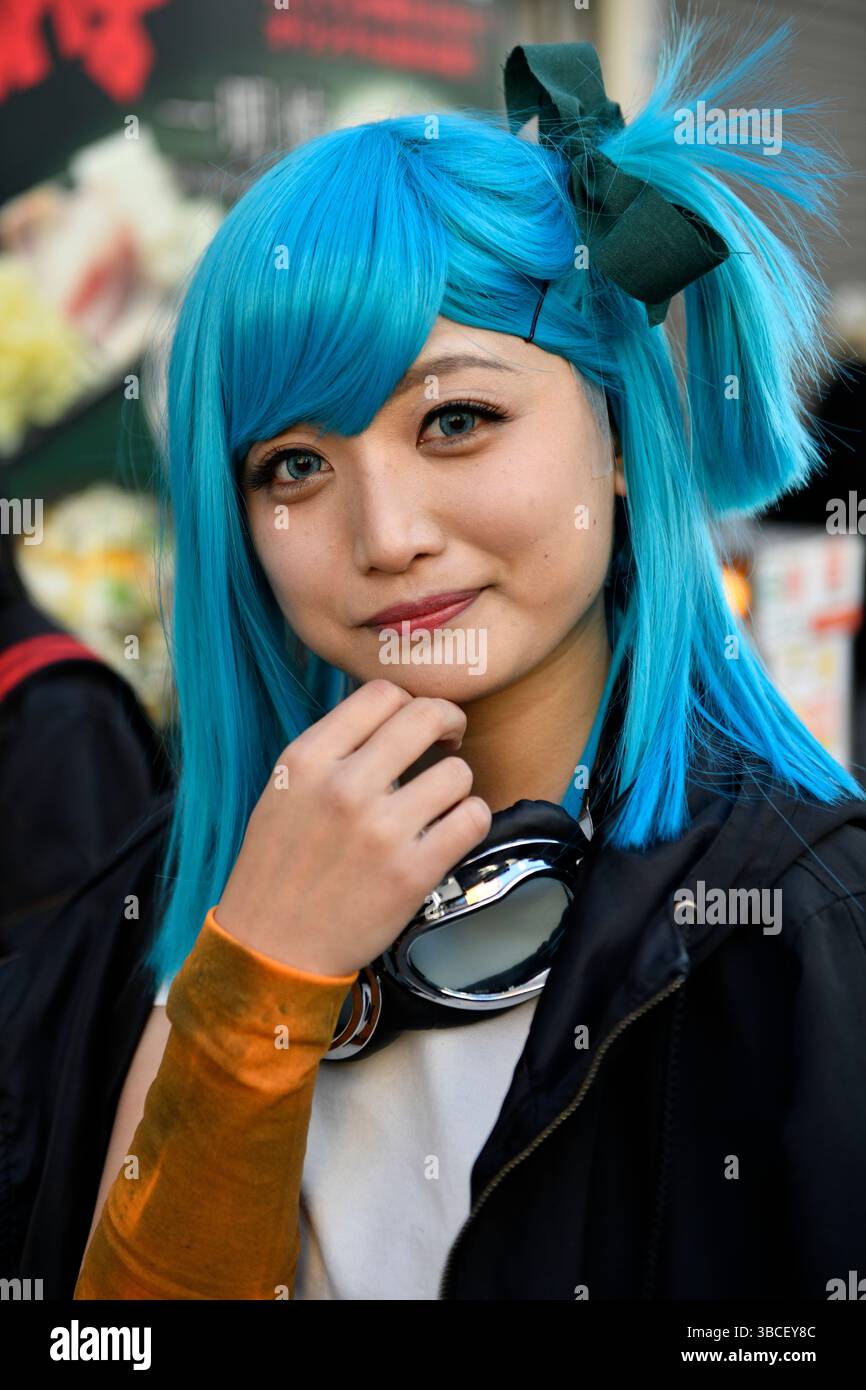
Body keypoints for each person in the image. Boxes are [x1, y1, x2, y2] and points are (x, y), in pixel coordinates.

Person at [11, 17, 866, 1300]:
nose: (386, 535)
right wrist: (250, 992)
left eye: (456, 419)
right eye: (293, 465)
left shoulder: (799, 931)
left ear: (624, 433)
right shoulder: (131, 929)